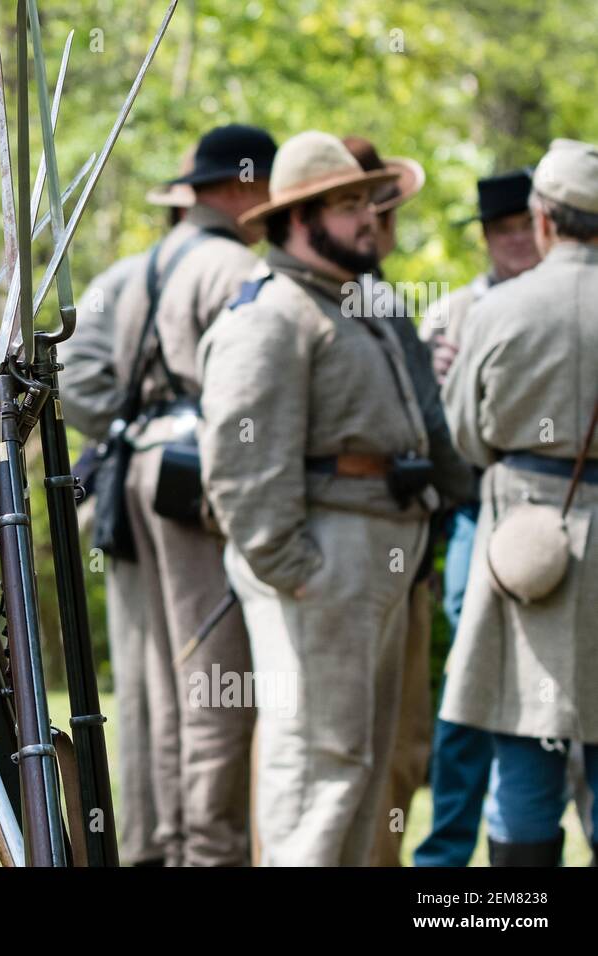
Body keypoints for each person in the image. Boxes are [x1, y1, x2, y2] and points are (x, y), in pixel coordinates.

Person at [198, 131, 436, 866]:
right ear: (299, 218)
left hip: (373, 552)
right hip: (325, 562)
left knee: (357, 768)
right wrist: (295, 567)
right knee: (316, 773)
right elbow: (239, 462)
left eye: (370, 200)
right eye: (348, 204)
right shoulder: (272, 314)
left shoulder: (345, 303)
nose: (370, 216)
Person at [63, 124, 277, 865]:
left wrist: (128, 426)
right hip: (197, 483)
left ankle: (158, 845)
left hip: (141, 473)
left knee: (158, 677)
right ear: (242, 187)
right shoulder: (233, 269)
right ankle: (208, 851)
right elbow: (251, 390)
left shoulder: (141, 267)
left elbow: (76, 377)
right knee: (216, 681)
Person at [438, 138, 598, 866]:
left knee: (523, 743)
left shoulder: (499, 308)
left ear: (541, 219)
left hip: (525, 541)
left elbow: (467, 438)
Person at [342, 136, 478, 866]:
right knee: (383, 750)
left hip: (391, 546)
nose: (384, 225)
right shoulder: (366, 302)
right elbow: (432, 429)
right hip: (367, 557)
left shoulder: (374, 302)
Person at [412, 168, 541, 868]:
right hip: (474, 511)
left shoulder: (564, 301)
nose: (516, 240)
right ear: (488, 237)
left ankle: (527, 836)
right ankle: (447, 854)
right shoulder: (452, 312)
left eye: (526, 225)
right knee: (468, 678)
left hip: (556, 512)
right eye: (502, 229)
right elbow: (428, 427)